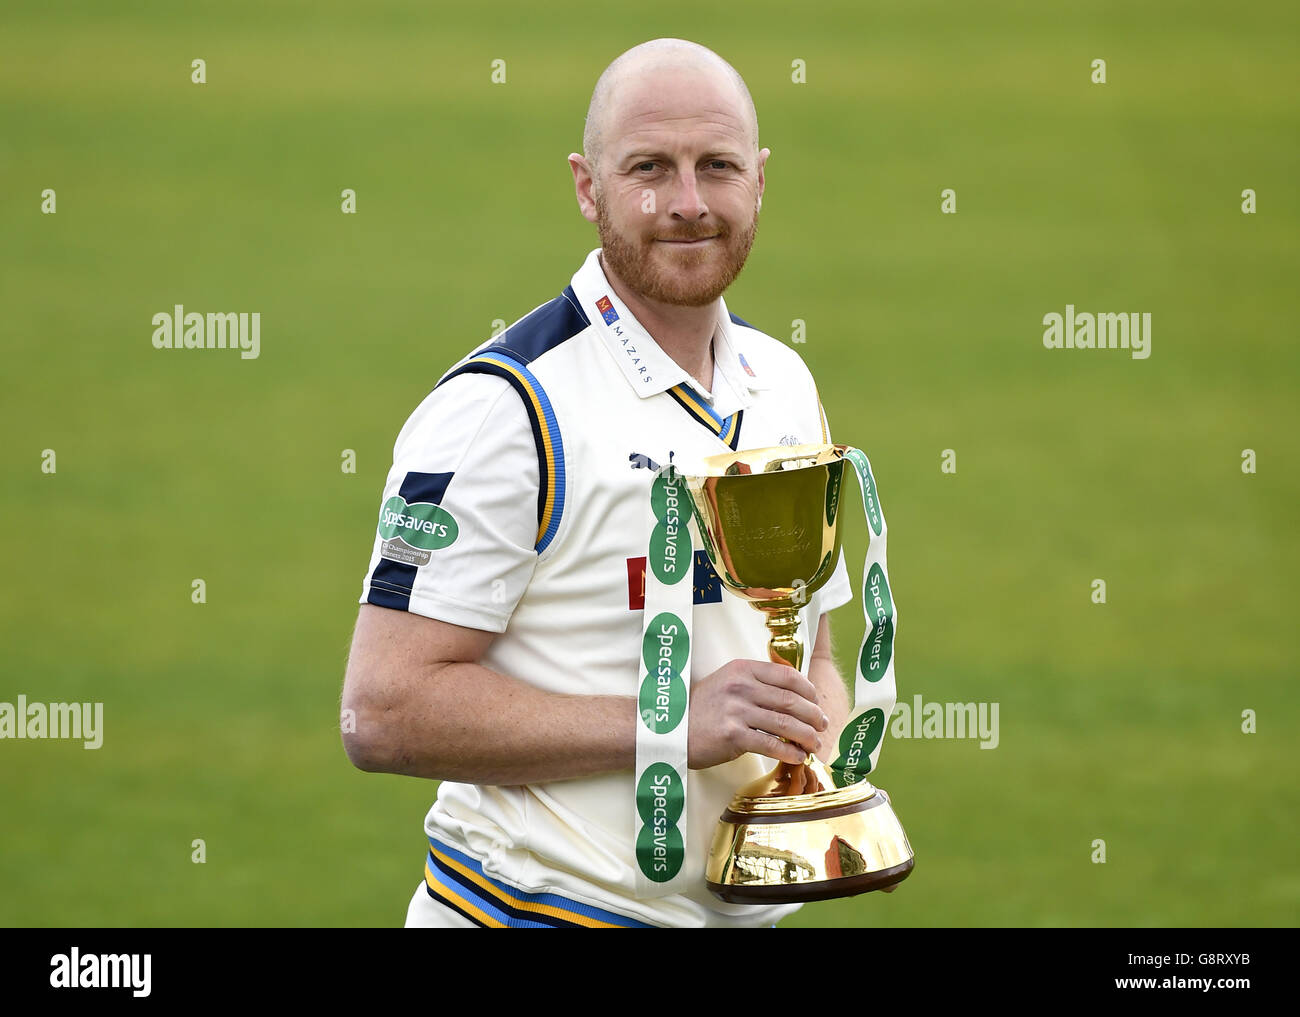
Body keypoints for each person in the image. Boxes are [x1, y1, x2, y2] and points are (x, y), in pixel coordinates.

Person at [341, 37, 855, 928]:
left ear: (760, 180)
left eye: (718, 166)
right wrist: (671, 728)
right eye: (650, 167)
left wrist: (823, 788)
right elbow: (382, 711)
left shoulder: (784, 386)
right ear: (589, 187)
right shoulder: (506, 410)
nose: (689, 203)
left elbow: (811, 648)